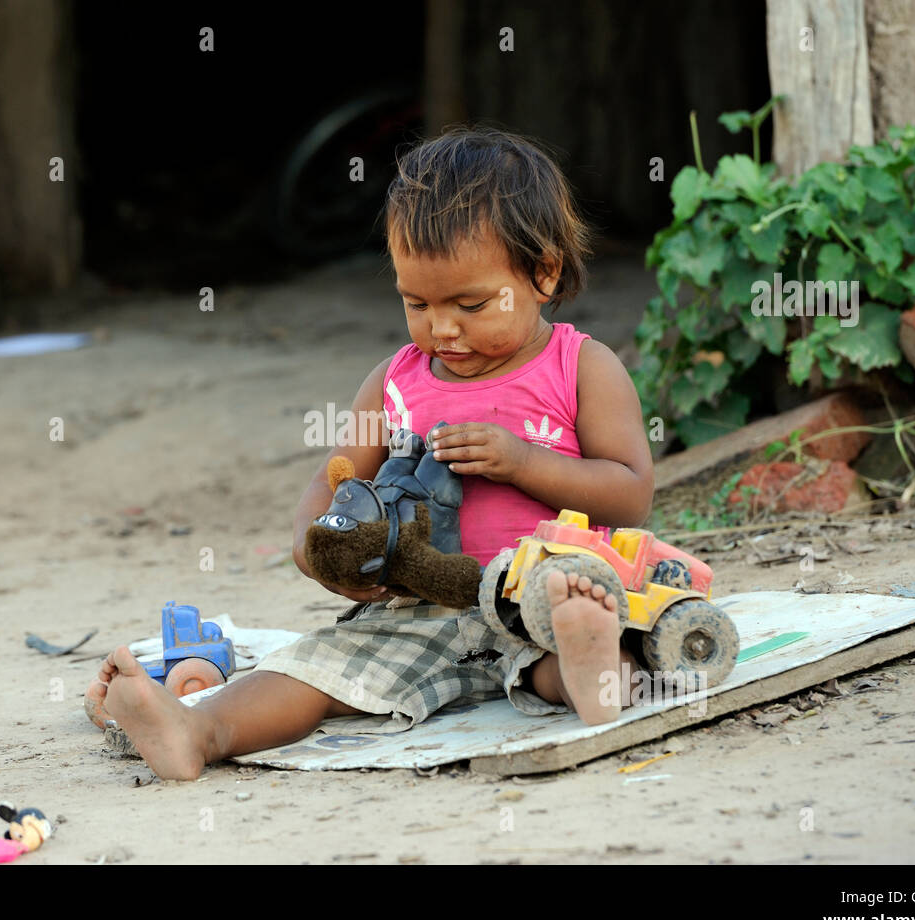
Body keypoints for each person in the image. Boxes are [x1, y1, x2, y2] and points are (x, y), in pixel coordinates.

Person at [85, 126, 654, 780]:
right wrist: (320, 552)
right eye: (417, 302)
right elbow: (333, 485)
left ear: (543, 271)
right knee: (315, 667)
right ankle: (198, 728)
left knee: (576, 636)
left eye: (470, 304)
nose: (442, 327)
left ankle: (595, 675)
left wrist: (523, 462)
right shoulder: (395, 382)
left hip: (540, 597)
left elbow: (631, 492)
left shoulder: (581, 368)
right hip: (415, 612)